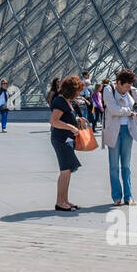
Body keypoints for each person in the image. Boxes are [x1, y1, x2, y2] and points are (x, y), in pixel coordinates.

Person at [102, 69, 137, 206]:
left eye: (130, 86)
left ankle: (128, 196)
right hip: (113, 130)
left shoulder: (131, 89)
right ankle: (117, 196)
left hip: (128, 130)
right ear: (118, 83)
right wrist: (129, 112)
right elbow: (113, 109)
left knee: (126, 165)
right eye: (126, 86)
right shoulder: (108, 90)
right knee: (114, 165)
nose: (128, 89)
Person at [50, 74, 86, 210]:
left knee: (68, 170)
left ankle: (65, 200)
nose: (79, 93)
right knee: (65, 170)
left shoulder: (66, 101)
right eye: (78, 90)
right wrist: (70, 127)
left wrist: (76, 121)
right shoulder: (59, 101)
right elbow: (54, 121)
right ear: (72, 89)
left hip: (66, 139)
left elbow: (65, 118)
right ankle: (60, 202)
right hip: (61, 139)